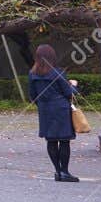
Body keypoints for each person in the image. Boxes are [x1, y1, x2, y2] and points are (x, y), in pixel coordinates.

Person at [29, 43, 79, 182]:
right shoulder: (58, 73)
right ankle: (65, 172)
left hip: (45, 110)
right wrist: (74, 85)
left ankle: (57, 171)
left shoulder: (32, 74)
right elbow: (69, 93)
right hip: (61, 109)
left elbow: (32, 95)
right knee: (64, 141)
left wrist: (42, 104)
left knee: (51, 140)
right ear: (52, 57)